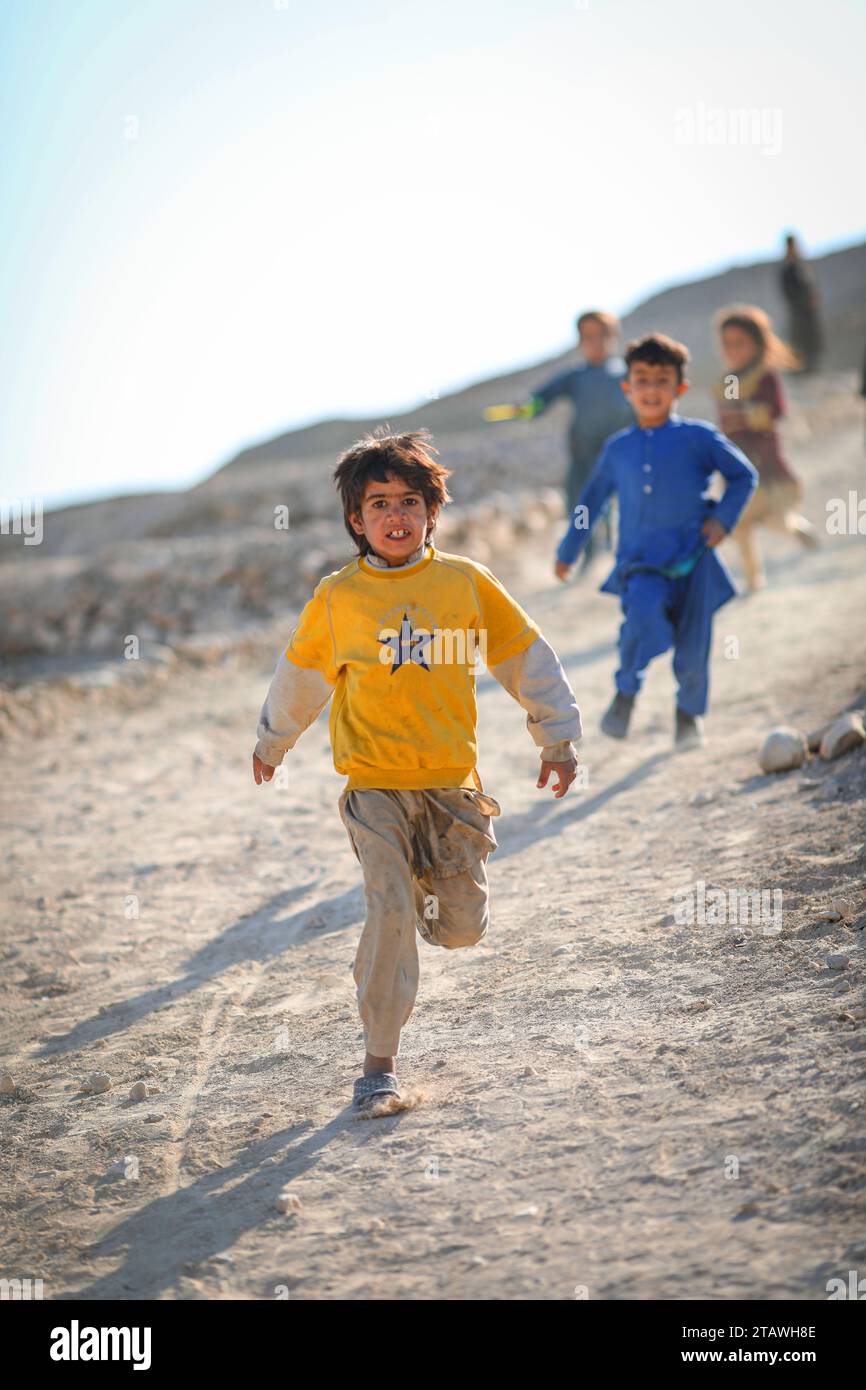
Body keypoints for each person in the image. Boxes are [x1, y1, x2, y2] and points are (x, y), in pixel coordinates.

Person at [253, 429, 582, 1116]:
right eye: (379, 504)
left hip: (451, 786)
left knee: (458, 926)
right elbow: (300, 677)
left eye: (409, 501)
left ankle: (430, 902)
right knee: (390, 907)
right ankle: (378, 1063)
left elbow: (525, 657)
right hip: (373, 787)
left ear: (432, 513)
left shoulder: (463, 583)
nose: (395, 516)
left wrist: (556, 738)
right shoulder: (340, 597)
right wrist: (272, 740)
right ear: (356, 520)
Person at [554, 333, 757, 749]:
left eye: (661, 380)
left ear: (679, 389)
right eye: (641, 379)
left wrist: (722, 520)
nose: (651, 389)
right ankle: (626, 691)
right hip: (640, 562)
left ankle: (688, 717)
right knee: (640, 624)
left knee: (693, 645)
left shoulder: (699, 438)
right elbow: (589, 503)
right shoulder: (618, 449)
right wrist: (568, 550)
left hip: (695, 560)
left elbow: (743, 477)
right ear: (626, 388)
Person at [713, 304, 819, 591]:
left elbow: (776, 411)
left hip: (763, 464)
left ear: (757, 345)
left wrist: (746, 416)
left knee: (774, 519)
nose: (733, 350)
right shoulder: (729, 380)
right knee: (740, 526)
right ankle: (753, 580)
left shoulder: (764, 376)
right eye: (727, 344)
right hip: (736, 465)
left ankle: (797, 529)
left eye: (739, 343)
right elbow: (727, 409)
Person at [521, 311, 635, 565]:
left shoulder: (625, 375)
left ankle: (613, 551)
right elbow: (543, 397)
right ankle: (589, 554)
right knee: (580, 504)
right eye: (588, 337)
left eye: (601, 335)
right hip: (583, 452)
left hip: (618, 452)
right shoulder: (576, 377)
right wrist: (530, 407)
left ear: (613, 337)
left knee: (617, 501)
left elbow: (643, 407)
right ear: (580, 342)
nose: (595, 342)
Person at [780, 233, 823, 373]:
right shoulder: (787, 270)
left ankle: (812, 369)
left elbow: (810, 287)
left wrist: (813, 300)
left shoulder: (802, 267)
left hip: (809, 313)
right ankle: (799, 371)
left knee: (812, 340)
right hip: (798, 312)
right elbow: (788, 292)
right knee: (799, 342)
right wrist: (802, 302)